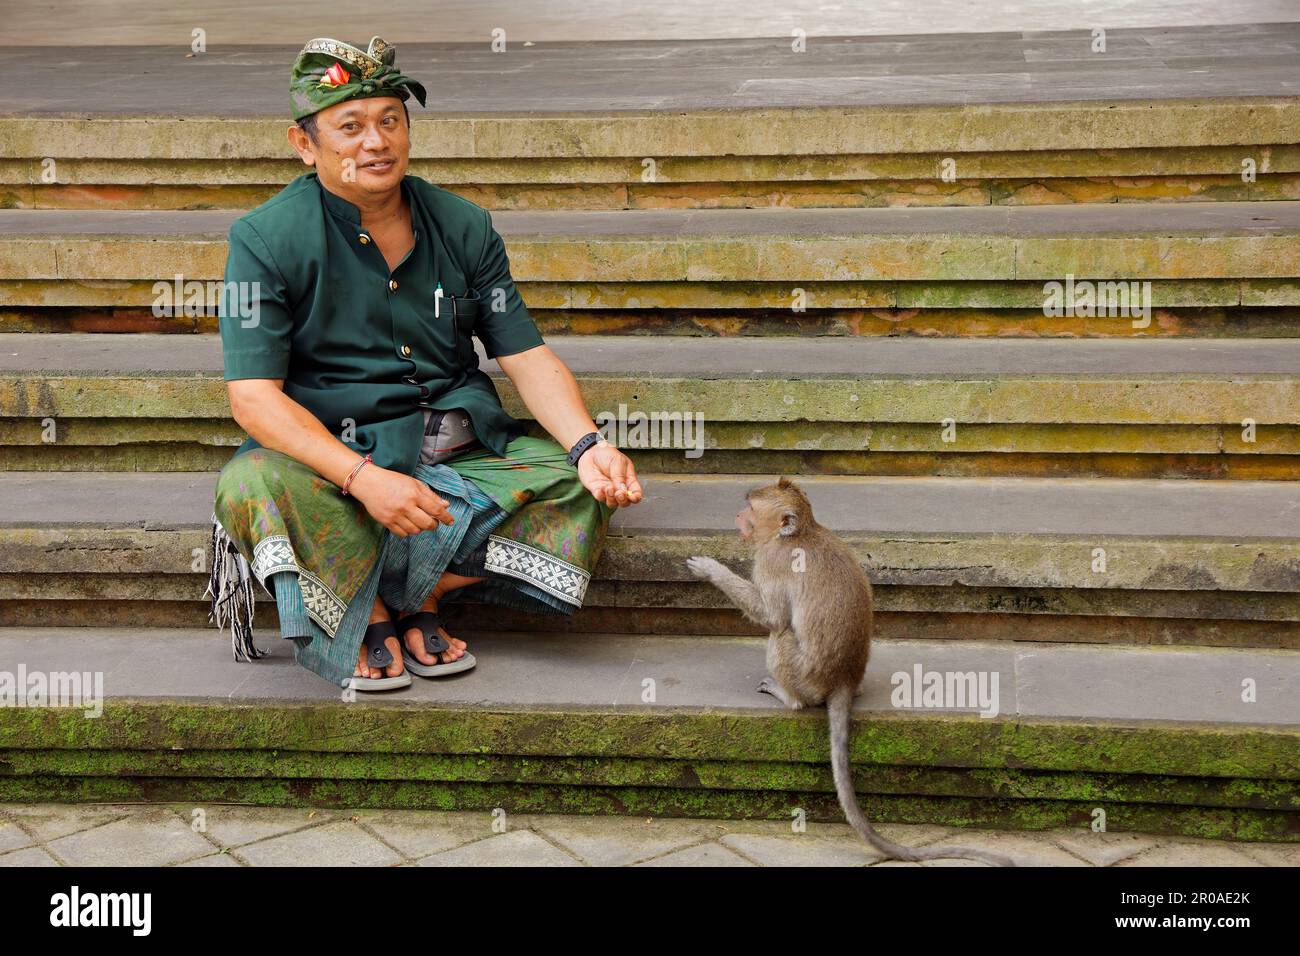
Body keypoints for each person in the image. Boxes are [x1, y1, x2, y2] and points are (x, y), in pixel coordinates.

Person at [205, 35, 643, 691]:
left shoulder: (463, 226)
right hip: (328, 461)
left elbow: (524, 352)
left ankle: (399, 588)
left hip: (451, 456)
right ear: (304, 144)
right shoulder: (265, 239)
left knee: (581, 481)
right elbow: (254, 399)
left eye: (390, 121)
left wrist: (586, 444)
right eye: (349, 127)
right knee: (250, 486)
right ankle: (379, 605)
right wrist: (362, 479)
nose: (375, 143)